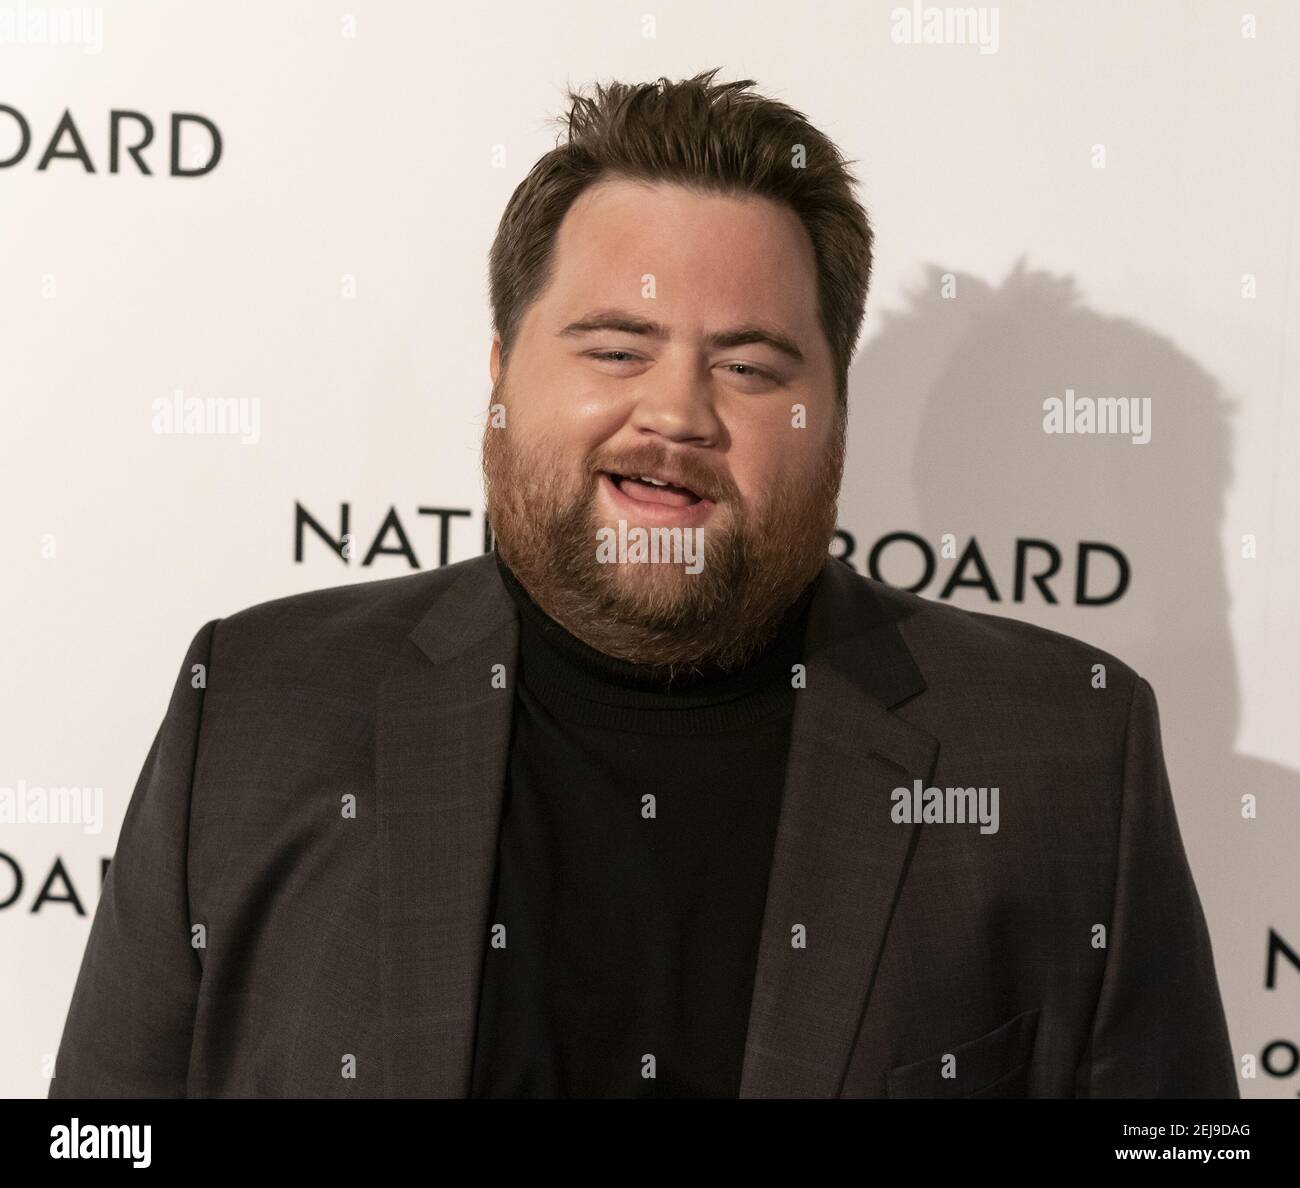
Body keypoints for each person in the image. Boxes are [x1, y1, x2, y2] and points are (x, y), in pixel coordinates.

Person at [49, 68, 1237, 1099]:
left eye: (751, 364)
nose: (676, 415)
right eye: (615, 349)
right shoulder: (255, 708)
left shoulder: (1063, 755)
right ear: (504, 372)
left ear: (832, 417)